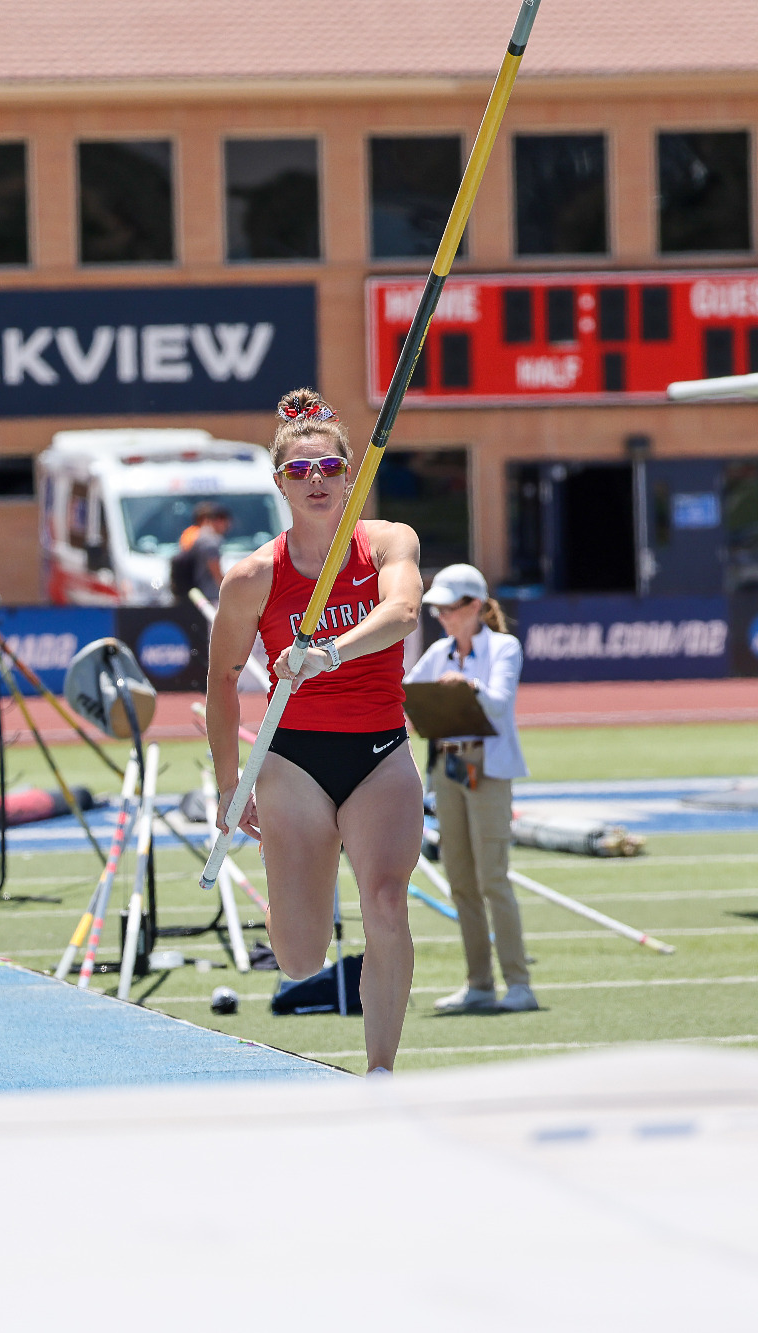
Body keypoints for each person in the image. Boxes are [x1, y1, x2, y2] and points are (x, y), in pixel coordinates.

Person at [206, 388, 424, 1075]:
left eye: (329, 468)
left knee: (387, 903)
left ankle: (382, 1072)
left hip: (379, 750)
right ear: (279, 484)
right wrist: (227, 784)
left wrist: (330, 650)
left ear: (349, 474)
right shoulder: (251, 578)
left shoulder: (388, 541)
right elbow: (220, 680)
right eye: (300, 472)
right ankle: (294, 879)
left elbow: (405, 611)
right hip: (292, 759)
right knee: (300, 958)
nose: (317, 481)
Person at [404, 563, 533, 1014]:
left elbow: (499, 703)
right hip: (450, 766)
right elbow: (407, 692)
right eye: (437, 609)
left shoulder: (504, 646)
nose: (441, 616)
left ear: (474, 606)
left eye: (449, 608)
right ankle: (479, 983)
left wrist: (468, 685)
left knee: (493, 877)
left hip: (488, 765)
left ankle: (519, 983)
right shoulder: (439, 651)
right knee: (460, 879)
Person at [171, 501, 233, 606]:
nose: (228, 525)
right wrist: (230, 591)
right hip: (209, 596)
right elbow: (216, 571)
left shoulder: (198, 536)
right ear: (219, 520)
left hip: (198, 594)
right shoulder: (210, 541)